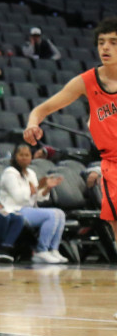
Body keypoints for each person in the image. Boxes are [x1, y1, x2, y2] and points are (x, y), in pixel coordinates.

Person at [24, 18, 117, 251]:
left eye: (113, 42)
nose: (105, 48)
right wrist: (32, 124)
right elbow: (42, 109)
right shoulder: (87, 81)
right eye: (102, 42)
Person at [0, 143, 68, 264]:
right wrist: (37, 188)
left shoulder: (31, 173)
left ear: (31, 157)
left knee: (60, 213)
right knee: (51, 215)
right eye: (21, 155)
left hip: (29, 209)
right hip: (14, 210)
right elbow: (18, 198)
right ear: (15, 157)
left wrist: (46, 188)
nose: (24, 157)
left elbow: (39, 197)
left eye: (27, 155)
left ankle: (54, 249)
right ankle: (41, 250)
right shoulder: (9, 173)